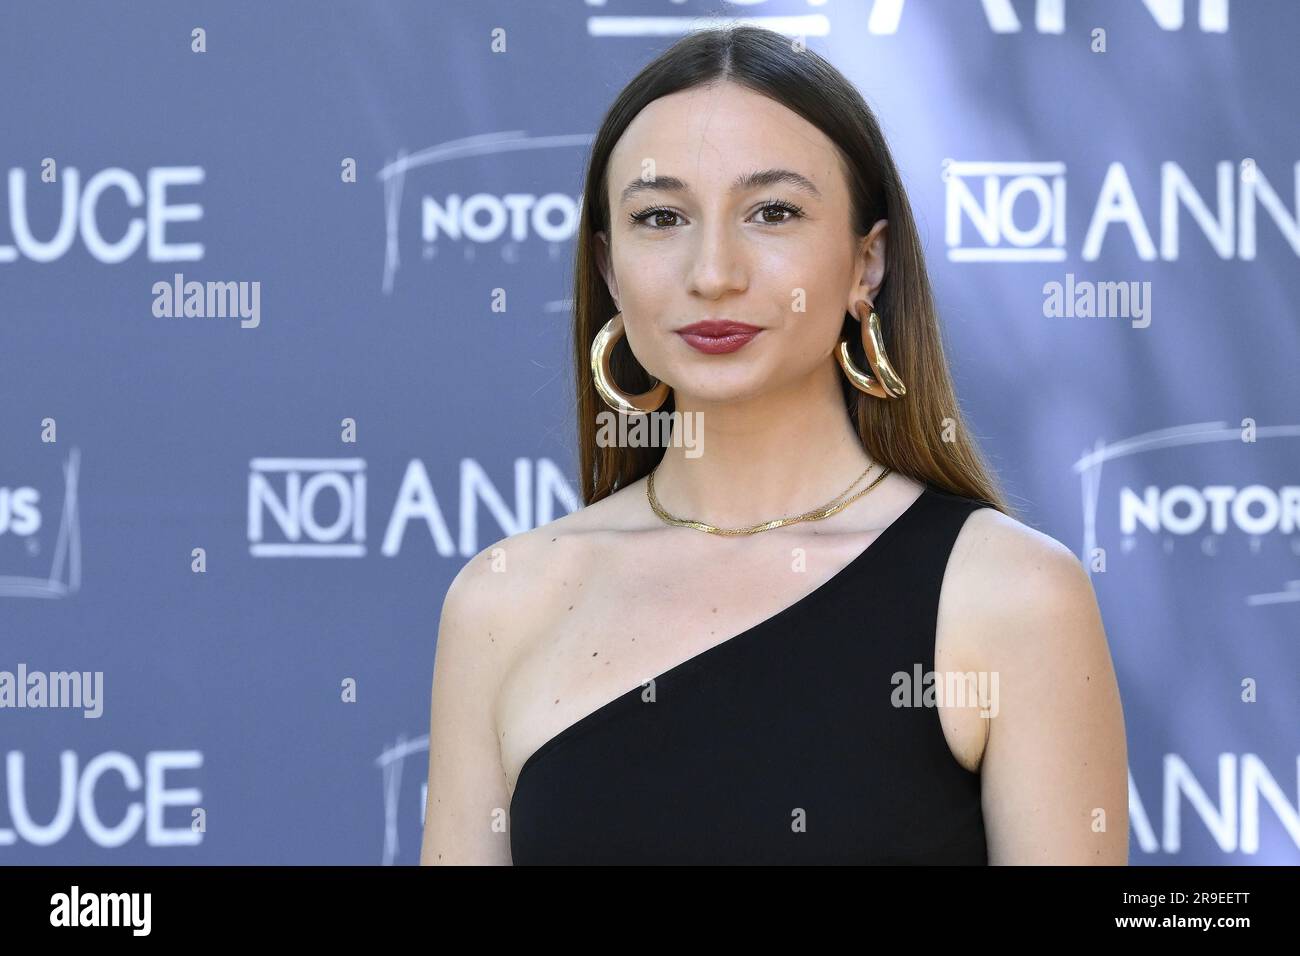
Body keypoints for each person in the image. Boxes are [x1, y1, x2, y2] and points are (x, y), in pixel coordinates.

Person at [420, 25, 1128, 865]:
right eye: (660, 217)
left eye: (774, 211)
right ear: (609, 271)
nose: (713, 271)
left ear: (869, 263)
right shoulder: (503, 603)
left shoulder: (1010, 596)